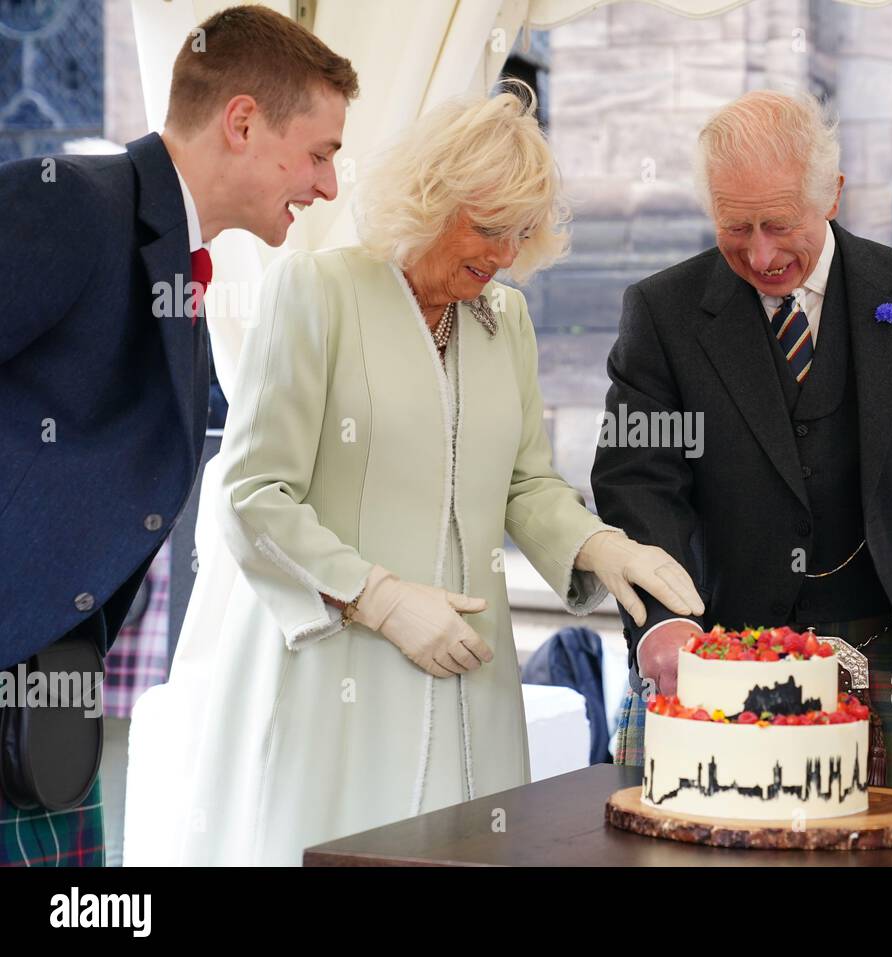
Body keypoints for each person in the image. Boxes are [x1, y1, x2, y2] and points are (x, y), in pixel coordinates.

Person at [124, 83, 703, 866]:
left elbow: (526, 483)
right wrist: (381, 598)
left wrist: (600, 546)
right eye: (488, 227)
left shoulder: (507, 321)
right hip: (335, 674)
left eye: (519, 233)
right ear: (432, 196)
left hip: (472, 679)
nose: (502, 255)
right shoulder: (319, 292)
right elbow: (253, 493)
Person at [0, 4, 357, 866]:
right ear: (242, 121)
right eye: (319, 152)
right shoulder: (72, 206)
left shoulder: (176, 261)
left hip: (46, 693)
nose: (328, 186)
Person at [593, 90, 892, 792]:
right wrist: (660, 623)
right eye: (736, 227)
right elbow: (638, 481)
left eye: (780, 224)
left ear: (833, 196)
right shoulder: (661, 312)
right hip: (722, 660)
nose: (760, 253)